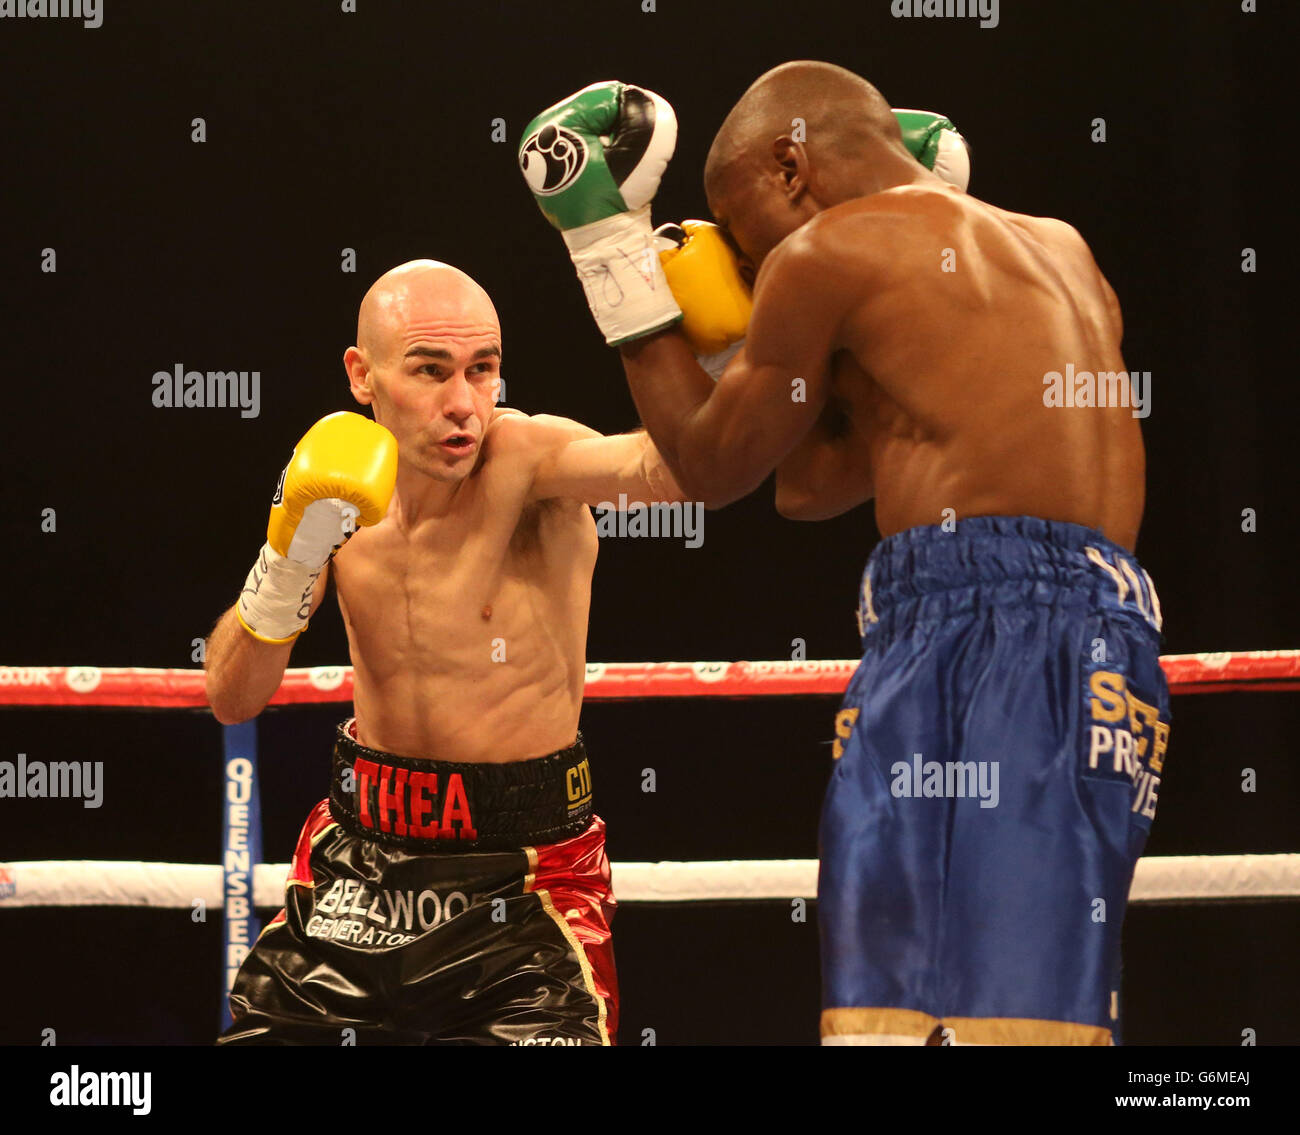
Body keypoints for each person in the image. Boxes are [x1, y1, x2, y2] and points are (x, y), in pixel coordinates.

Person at [519, 64, 1169, 1046]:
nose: (757, 263)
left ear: (791, 163)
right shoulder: (1058, 249)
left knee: (1008, 1025)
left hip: (986, 631)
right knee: (892, 1021)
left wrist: (605, 244)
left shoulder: (826, 249)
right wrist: (739, 350)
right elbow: (809, 482)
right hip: (1066, 627)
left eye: (746, 233)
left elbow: (709, 465)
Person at [205, 259, 687, 1045]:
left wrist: (721, 345)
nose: (463, 404)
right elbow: (233, 697)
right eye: (430, 372)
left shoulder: (530, 461)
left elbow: (681, 468)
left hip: (522, 885)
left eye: (482, 370)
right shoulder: (337, 491)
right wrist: (288, 561)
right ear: (363, 375)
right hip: (356, 877)